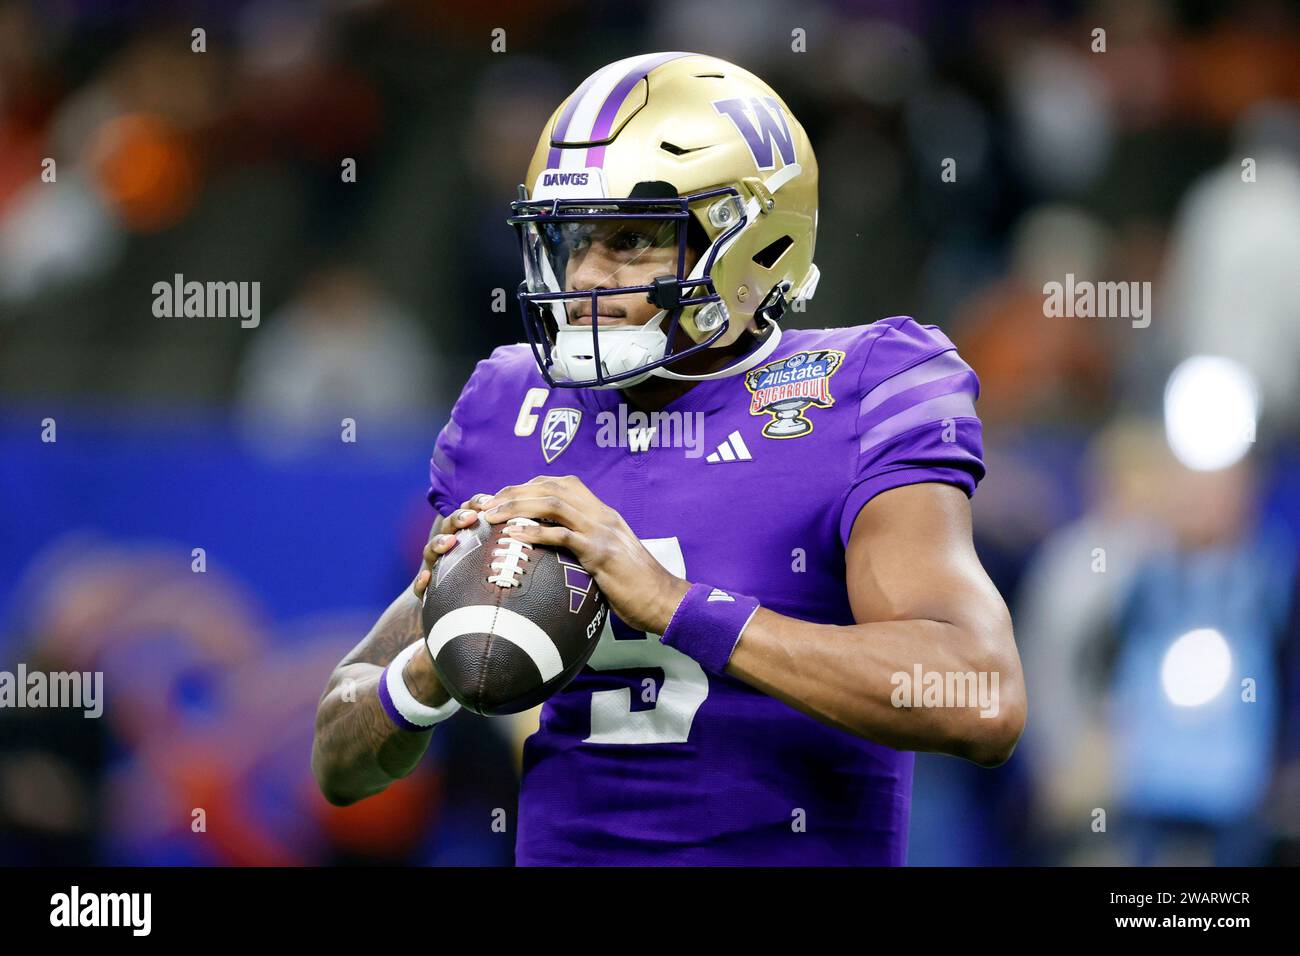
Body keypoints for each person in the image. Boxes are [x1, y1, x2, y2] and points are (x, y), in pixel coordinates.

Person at [311, 52, 1025, 865]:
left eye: (631, 241)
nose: (584, 275)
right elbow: (338, 761)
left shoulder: (861, 386)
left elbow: (981, 697)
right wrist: (436, 664)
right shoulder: (510, 403)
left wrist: (675, 605)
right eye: (572, 239)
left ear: (753, 242)